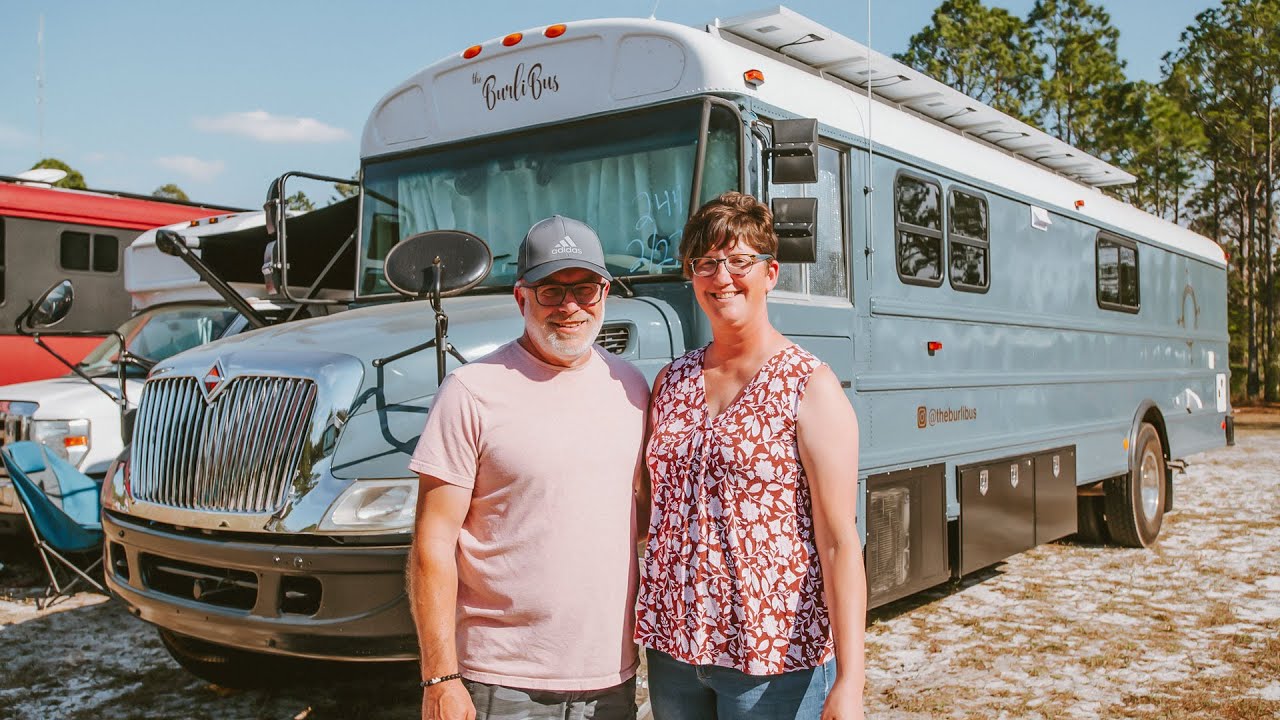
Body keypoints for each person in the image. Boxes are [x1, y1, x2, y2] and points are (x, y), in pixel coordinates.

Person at [635, 192, 867, 720]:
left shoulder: (809, 385)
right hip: (675, 650)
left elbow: (838, 541)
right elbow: (650, 513)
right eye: (706, 264)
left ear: (771, 272)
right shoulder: (671, 382)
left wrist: (851, 680)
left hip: (774, 660)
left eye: (739, 261)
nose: (722, 277)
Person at [408, 215, 649, 720]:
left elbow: (642, 519)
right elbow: (432, 544)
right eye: (550, 291)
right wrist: (440, 677)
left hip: (610, 679)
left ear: (604, 292)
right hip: (501, 682)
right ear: (521, 298)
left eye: (584, 289)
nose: (570, 307)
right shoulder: (471, 392)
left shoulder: (632, 388)